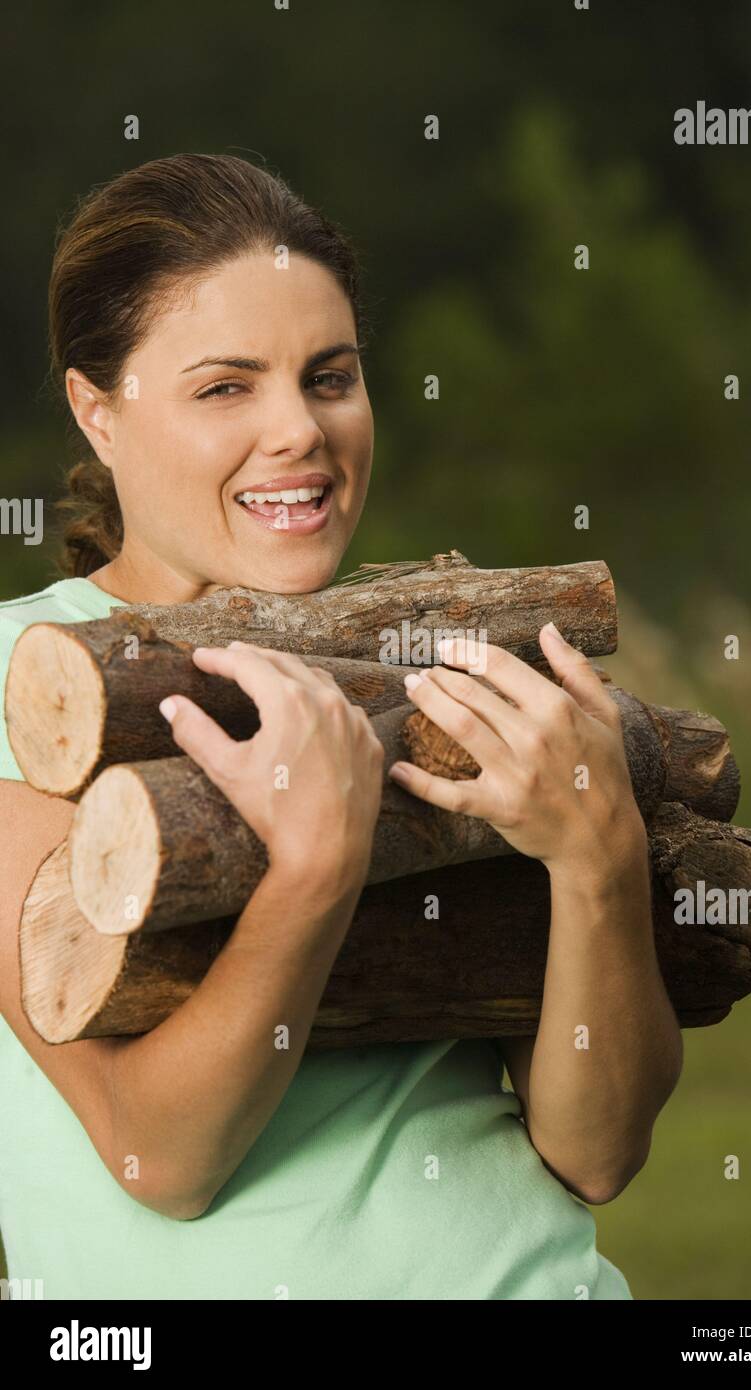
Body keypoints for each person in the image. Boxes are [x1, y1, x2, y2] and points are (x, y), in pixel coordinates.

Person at [0, 153, 681, 1300]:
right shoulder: (24, 684)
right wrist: (315, 865)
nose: (298, 432)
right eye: (225, 388)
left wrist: (597, 854)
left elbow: (597, 1155)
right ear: (96, 409)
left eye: (329, 377)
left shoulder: (445, 661)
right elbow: (154, 1156)